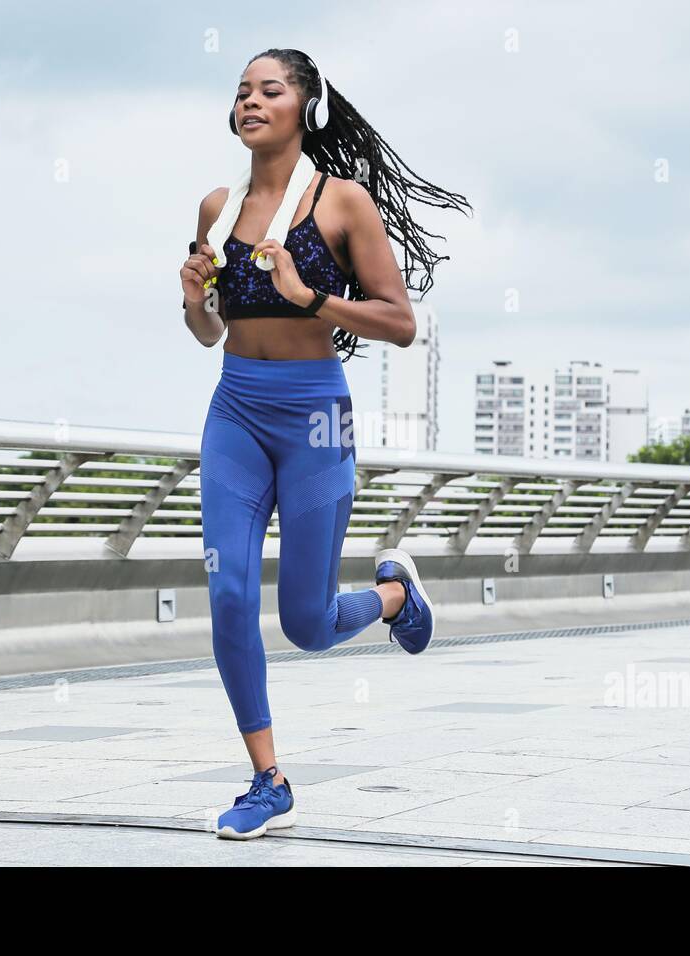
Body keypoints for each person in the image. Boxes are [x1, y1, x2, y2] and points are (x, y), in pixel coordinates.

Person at [178, 48, 472, 840]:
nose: (249, 101)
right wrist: (190, 300)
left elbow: (401, 323)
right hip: (235, 408)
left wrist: (312, 297)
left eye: (269, 90)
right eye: (240, 91)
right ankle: (267, 779)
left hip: (317, 417)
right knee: (229, 593)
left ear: (305, 108)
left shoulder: (342, 203)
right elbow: (208, 332)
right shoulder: (216, 206)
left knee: (306, 624)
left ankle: (396, 596)